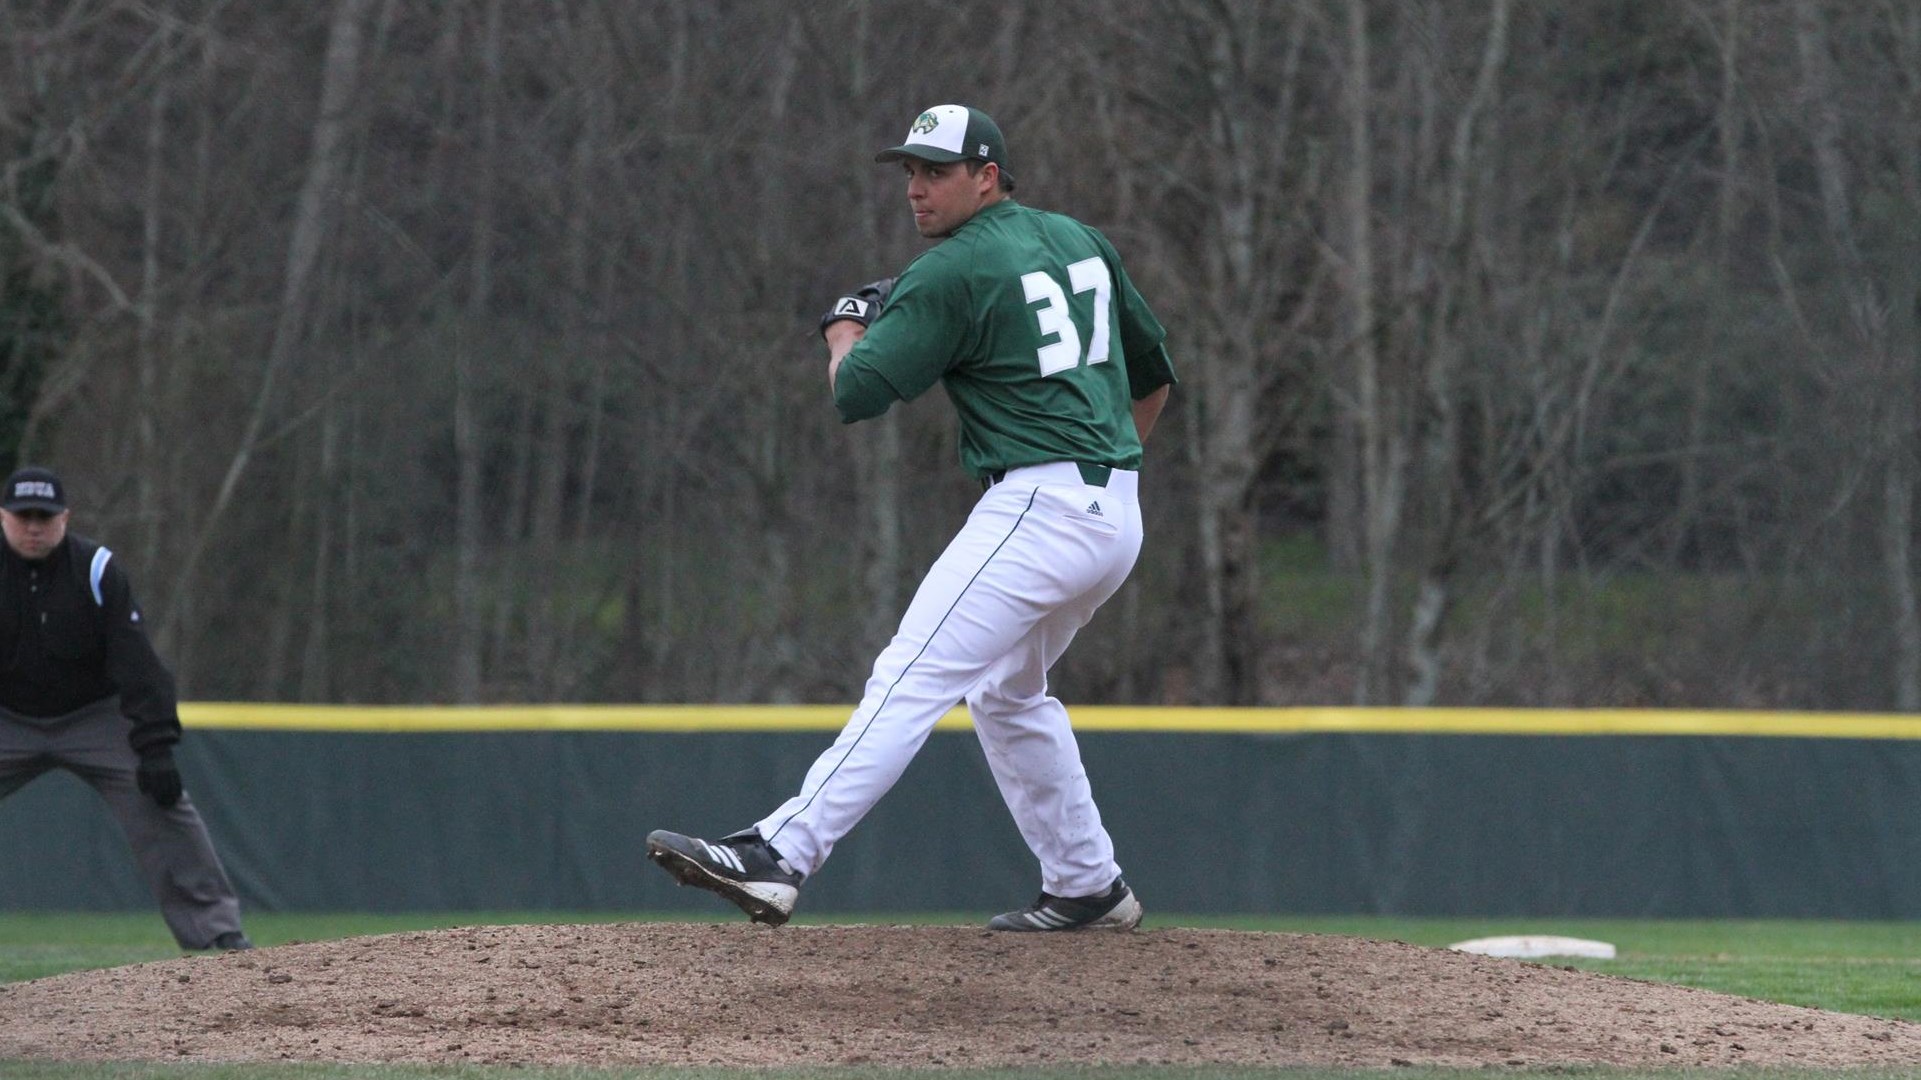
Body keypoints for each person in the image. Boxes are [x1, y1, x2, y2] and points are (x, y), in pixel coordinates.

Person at [648, 103, 1177, 931]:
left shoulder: (951, 271)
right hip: (1113, 511)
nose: (916, 189)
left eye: (935, 172)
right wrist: (1103, 478)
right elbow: (1153, 379)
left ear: (987, 176)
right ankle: (1086, 884)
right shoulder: (1081, 240)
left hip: (1037, 505)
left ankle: (779, 854)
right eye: (909, 172)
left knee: (911, 675)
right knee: (1007, 693)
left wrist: (843, 329)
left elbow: (856, 394)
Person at [0, 466, 252, 951]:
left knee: (163, 800)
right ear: (3, 518)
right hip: (8, 717)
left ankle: (216, 934)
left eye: (45, 517)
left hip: (94, 716)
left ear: (65, 518)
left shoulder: (95, 569)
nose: (34, 526)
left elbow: (138, 662)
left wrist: (155, 747)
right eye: (23, 516)